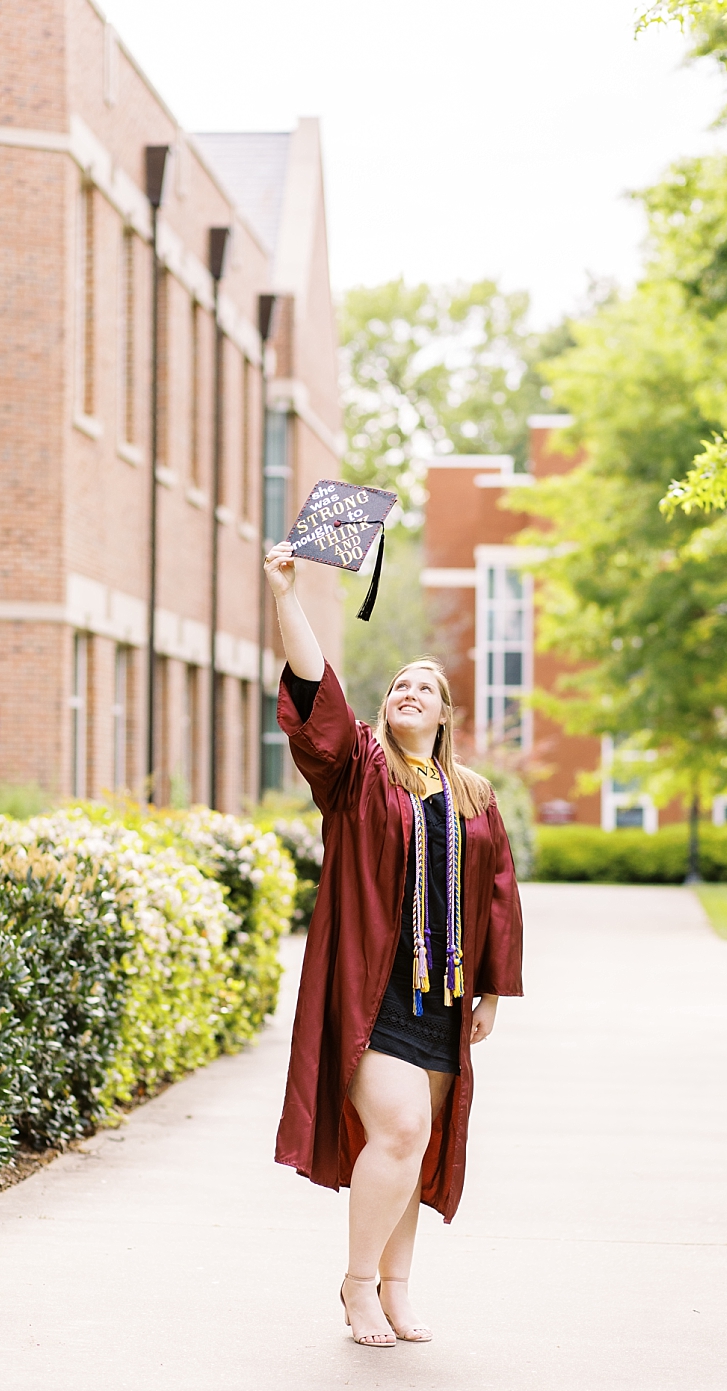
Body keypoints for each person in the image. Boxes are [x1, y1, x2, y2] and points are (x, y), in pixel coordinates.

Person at [264, 540, 525, 1349]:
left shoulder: (474, 796)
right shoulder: (361, 771)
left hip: (441, 998)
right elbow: (316, 692)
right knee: (404, 1126)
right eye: (399, 685)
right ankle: (356, 1284)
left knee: (412, 1147)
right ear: (385, 709)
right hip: (370, 991)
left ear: (445, 715)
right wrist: (287, 596)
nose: (409, 692)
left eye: (426, 688)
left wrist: (490, 992)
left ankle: (396, 1286)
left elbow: (498, 896)